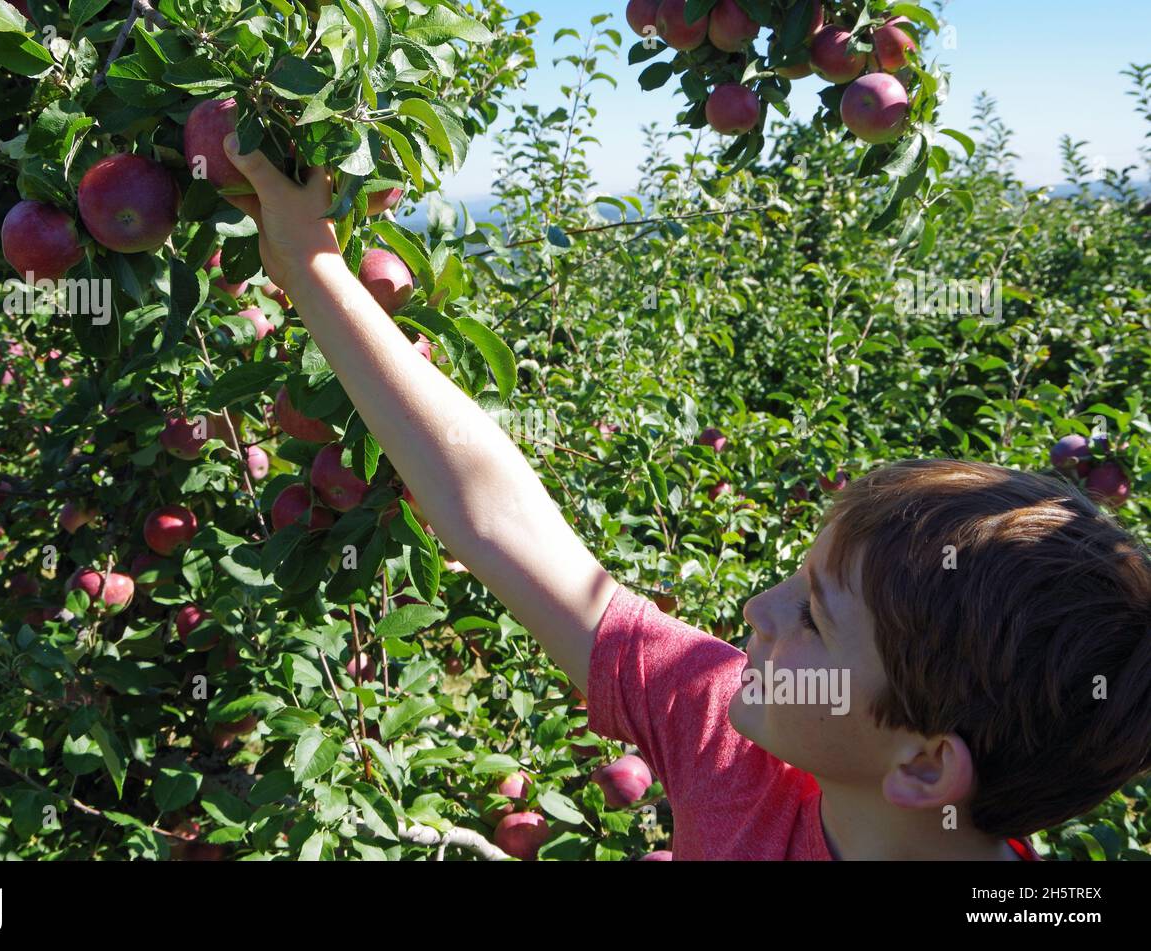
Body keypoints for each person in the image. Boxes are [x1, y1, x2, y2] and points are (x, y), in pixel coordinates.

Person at [220, 136, 1151, 861]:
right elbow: (500, 517)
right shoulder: (729, 741)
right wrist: (314, 266)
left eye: (816, 619)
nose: (758, 606)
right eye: (798, 580)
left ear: (924, 764)